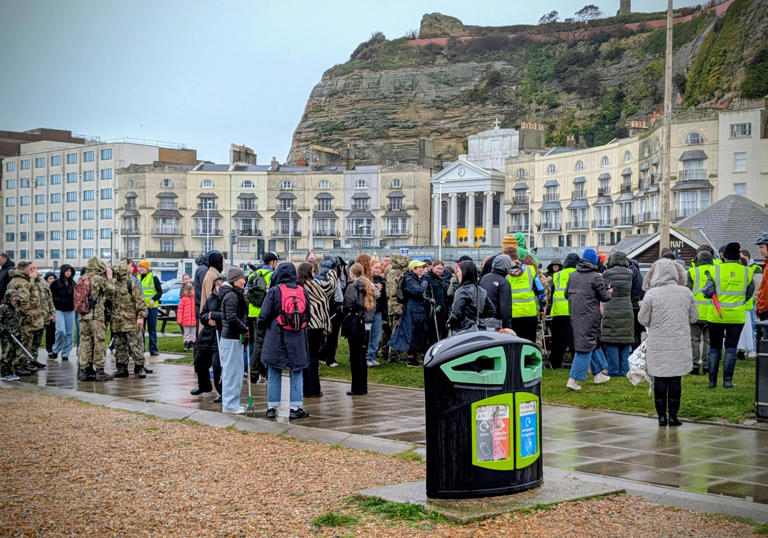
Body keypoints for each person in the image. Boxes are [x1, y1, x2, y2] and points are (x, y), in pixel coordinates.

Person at [639, 259, 699, 426]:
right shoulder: (686, 292)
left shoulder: (651, 294)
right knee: (675, 380)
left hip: (658, 344)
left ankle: (661, 418)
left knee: (660, 379)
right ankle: (673, 416)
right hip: (679, 343)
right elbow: (694, 317)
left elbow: (643, 319)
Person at [259, 262, 311, 419]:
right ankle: (295, 407)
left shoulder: (275, 291)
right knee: (297, 372)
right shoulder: (302, 291)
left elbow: (264, 315)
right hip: (297, 337)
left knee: (274, 371)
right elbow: (307, 316)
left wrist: (262, 328)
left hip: (276, 336)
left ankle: (271, 407)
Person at [703, 242, 754, 389]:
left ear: (724, 256)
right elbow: (749, 292)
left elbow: (707, 291)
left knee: (714, 347)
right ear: (738, 256)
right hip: (737, 315)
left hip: (716, 315)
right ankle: (727, 381)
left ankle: (712, 382)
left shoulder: (714, 270)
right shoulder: (746, 272)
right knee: (731, 347)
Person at [566, 248, 612, 390]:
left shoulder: (573, 275)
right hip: (590, 316)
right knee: (585, 347)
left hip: (575, 315)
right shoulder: (595, 276)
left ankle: (599, 374)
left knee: (592, 342)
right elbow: (605, 297)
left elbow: (566, 294)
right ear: (594, 262)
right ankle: (573, 380)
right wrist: (609, 290)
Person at [296, 261, 337, 398]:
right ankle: (314, 389)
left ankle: (305, 388)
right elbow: (331, 286)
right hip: (316, 324)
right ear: (309, 272)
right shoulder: (316, 285)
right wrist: (331, 272)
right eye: (313, 272)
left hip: (302, 325)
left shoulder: (298, 286)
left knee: (305, 357)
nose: (315, 274)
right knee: (313, 357)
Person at [76, 257, 115, 381]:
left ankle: (84, 371)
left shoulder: (82, 278)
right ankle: (99, 371)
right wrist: (109, 277)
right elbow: (112, 290)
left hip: (82, 316)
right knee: (99, 342)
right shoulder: (97, 279)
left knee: (85, 342)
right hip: (95, 316)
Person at [6, 261, 47, 372]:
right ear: (26, 270)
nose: (32, 271)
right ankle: (20, 364)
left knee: (28, 341)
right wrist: (28, 316)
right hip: (25, 318)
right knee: (24, 341)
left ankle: (27, 362)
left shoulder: (21, 280)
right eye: (30, 269)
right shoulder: (22, 282)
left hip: (29, 316)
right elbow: (24, 302)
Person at [343, 263, 377, 395]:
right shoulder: (370, 286)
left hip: (356, 324)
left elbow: (348, 304)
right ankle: (363, 387)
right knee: (362, 356)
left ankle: (356, 387)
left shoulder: (352, 287)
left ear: (352, 273)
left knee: (355, 357)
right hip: (367, 324)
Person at [218, 267, 249, 414]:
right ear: (235, 280)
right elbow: (231, 318)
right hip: (231, 338)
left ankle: (232, 404)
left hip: (233, 338)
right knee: (232, 373)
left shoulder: (234, 294)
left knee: (235, 373)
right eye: (242, 278)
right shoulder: (231, 296)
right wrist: (245, 329)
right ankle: (230, 406)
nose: (244, 281)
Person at [388, 260, 429, 367]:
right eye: (420, 267)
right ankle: (411, 359)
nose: (423, 269)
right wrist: (425, 280)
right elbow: (418, 291)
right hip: (412, 311)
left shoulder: (413, 278)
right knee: (412, 334)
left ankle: (413, 358)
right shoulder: (409, 280)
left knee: (417, 333)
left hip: (417, 310)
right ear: (414, 269)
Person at [601, 252, 635, 377]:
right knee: (625, 340)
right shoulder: (630, 273)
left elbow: (604, 291)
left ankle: (613, 370)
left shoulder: (607, 273)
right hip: (627, 308)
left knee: (611, 340)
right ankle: (624, 370)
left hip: (611, 307)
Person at [110, 263, 148, 378]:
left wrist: (140, 316)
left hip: (131, 321)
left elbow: (140, 301)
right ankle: (122, 368)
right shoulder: (112, 285)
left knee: (136, 345)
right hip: (117, 322)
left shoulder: (131, 284)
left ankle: (139, 367)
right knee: (120, 346)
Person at [247, 252, 279, 382]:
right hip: (266, 313)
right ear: (272, 262)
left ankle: (255, 373)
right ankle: (260, 373)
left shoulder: (253, 274)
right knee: (264, 343)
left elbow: (247, 293)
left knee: (256, 343)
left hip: (253, 313)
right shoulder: (272, 275)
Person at [191, 276, 225, 399]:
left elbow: (227, 314)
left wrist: (214, 316)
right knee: (200, 361)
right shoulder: (210, 299)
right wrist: (208, 319)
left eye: (221, 284)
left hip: (219, 336)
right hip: (207, 335)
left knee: (217, 366)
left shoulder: (227, 298)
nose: (219, 287)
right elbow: (203, 314)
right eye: (217, 284)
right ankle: (204, 385)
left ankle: (222, 392)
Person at [507, 247, 545, 343]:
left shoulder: (505, 272)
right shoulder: (530, 270)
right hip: (529, 314)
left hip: (513, 315)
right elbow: (540, 291)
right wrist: (542, 307)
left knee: (515, 344)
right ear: (517, 256)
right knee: (529, 344)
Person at [548, 253, 580, 369]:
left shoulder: (557, 275)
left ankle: (555, 363)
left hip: (558, 312)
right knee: (573, 340)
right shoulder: (578, 274)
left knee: (557, 340)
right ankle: (574, 363)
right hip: (572, 311)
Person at [686, 250, 715, 375]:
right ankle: (707, 365)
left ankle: (694, 366)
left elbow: (687, 291)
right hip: (711, 312)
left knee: (694, 340)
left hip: (695, 312)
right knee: (709, 341)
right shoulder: (716, 271)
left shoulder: (692, 272)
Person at [449, 260, 496, 333]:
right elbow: (492, 311)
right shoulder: (481, 290)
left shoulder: (461, 291)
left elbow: (456, 314)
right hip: (481, 329)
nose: (456, 274)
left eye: (458, 271)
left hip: (464, 330)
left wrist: (449, 324)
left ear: (464, 273)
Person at [320, 256, 347, 368]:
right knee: (332, 335)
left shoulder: (329, 277)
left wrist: (341, 276)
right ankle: (329, 359)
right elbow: (338, 294)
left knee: (331, 335)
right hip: (333, 308)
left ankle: (324, 356)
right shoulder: (331, 278)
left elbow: (342, 287)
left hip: (334, 308)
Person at [385, 254, 409, 362]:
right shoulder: (400, 274)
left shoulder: (390, 272)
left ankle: (388, 352)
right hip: (398, 306)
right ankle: (393, 355)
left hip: (391, 305)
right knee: (397, 330)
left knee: (392, 329)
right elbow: (398, 292)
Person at [479, 254, 513, 330]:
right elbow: (505, 308)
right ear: (507, 266)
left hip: (480, 322)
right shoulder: (504, 283)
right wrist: (507, 327)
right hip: (495, 323)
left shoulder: (484, 278)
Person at [50, 264, 76, 361]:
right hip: (59, 310)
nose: (68, 273)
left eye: (70, 271)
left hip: (70, 310)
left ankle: (66, 353)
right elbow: (50, 297)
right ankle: (56, 350)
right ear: (62, 272)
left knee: (69, 333)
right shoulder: (55, 283)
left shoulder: (73, 283)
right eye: (66, 271)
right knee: (61, 330)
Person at [137, 260, 162, 357]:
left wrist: (153, 299)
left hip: (152, 308)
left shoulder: (154, 278)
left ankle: (153, 349)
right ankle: (141, 349)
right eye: (140, 267)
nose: (141, 269)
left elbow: (159, 292)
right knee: (140, 329)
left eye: (143, 267)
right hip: (141, 308)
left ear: (147, 268)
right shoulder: (137, 278)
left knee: (152, 329)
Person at [0, 288, 26, 379]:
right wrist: (3, 329)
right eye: (12, 300)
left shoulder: (16, 309)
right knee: (6, 354)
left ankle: (10, 372)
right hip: (7, 336)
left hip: (15, 335)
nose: (14, 302)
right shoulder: (3, 308)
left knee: (12, 354)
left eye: (16, 300)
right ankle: (4, 373)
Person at [366, 260, 388, 366]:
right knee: (369, 335)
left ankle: (372, 356)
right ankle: (367, 357)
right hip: (369, 311)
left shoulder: (382, 280)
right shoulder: (367, 280)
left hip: (378, 311)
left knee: (377, 335)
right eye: (375, 267)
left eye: (379, 268)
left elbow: (384, 297)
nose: (378, 270)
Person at [423, 259, 449, 345]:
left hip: (443, 309)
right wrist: (432, 303)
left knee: (443, 332)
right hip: (433, 310)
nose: (439, 271)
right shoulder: (427, 278)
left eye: (441, 269)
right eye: (437, 268)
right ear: (433, 268)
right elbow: (425, 294)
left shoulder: (441, 279)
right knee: (433, 334)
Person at [178, 283, 197, 351]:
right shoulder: (183, 299)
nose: (189, 292)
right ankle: (187, 344)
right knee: (187, 333)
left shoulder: (195, 298)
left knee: (193, 333)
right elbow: (180, 310)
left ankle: (192, 344)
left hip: (193, 319)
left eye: (190, 290)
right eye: (188, 290)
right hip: (185, 320)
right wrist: (180, 319)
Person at [42, 272, 57, 358]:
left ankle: (54, 348)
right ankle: (49, 349)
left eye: (53, 278)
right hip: (46, 313)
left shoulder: (57, 288)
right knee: (49, 331)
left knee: (55, 331)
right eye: (50, 278)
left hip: (55, 312)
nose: (52, 280)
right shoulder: (44, 288)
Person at [193, 252, 209, 322]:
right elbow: (204, 286)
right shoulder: (204, 269)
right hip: (202, 303)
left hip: (200, 303)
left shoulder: (200, 268)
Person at [756, 233, 768, 322]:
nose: (759, 250)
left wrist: (762, 307)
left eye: (762, 247)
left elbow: (766, 291)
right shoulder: (766, 265)